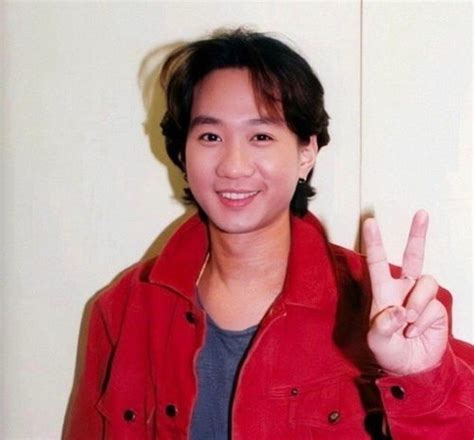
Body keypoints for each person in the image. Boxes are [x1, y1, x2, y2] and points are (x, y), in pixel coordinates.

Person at [63, 29, 474, 440]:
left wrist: (422, 381)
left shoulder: (388, 310)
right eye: (210, 136)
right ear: (183, 153)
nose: (233, 166)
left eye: (260, 136)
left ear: (306, 151)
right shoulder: (124, 310)